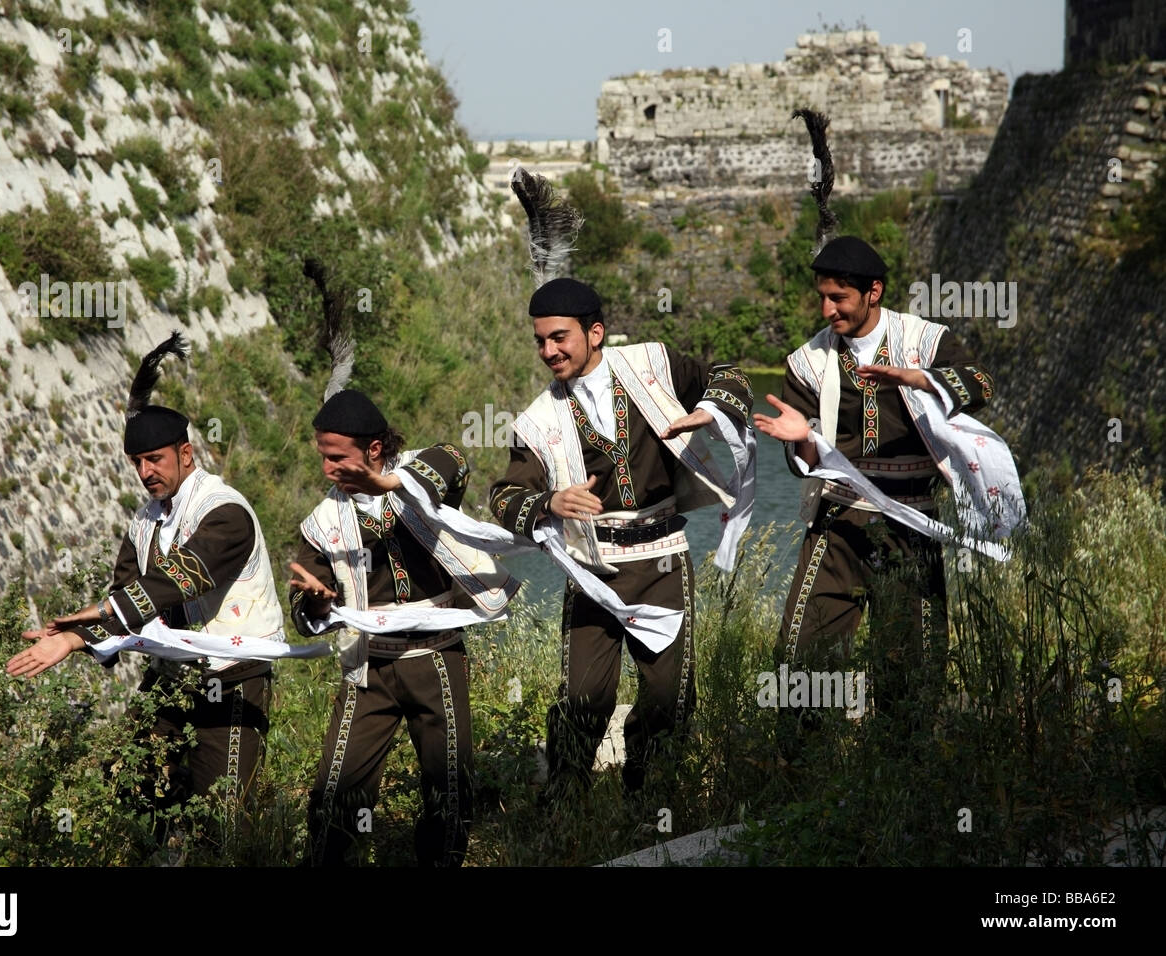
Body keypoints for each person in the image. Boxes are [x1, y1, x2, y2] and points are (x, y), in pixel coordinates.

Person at [7, 332, 286, 833]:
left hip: (234, 675)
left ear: (186, 454)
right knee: (131, 789)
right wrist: (71, 638)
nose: (144, 472)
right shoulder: (144, 521)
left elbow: (177, 581)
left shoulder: (225, 511)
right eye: (137, 463)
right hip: (170, 676)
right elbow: (124, 596)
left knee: (220, 819)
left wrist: (95, 616)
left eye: (154, 459)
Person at [489, 276, 755, 799]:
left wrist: (713, 411)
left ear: (596, 333)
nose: (548, 351)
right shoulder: (536, 421)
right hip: (591, 568)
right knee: (585, 696)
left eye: (559, 337)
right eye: (540, 340)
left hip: (663, 559)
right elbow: (503, 498)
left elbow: (729, 375)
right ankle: (564, 804)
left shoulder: (651, 364)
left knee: (670, 694)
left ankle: (649, 789)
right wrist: (549, 503)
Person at [753, 235, 1008, 743]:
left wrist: (920, 379)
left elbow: (981, 383)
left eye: (839, 298)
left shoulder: (925, 340)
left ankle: (902, 783)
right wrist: (802, 442)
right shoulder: (806, 362)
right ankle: (803, 782)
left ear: (874, 291)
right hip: (838, 523)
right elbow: (803, 457)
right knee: (805, 657)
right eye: (822, 297)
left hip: (912, 521)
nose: (827, 309)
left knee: (911, 660)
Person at [288, 389, 517, 866]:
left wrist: (387, 483)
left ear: (373, 450)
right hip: (368, 667)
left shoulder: (419, 475)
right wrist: (316, 602)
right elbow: (305, 596)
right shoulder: (323, 521)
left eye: (338, 458)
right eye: (323, 458)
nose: (328, 469)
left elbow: (452, 458)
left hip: (437, 655)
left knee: (448, 785)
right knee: (336, 788)